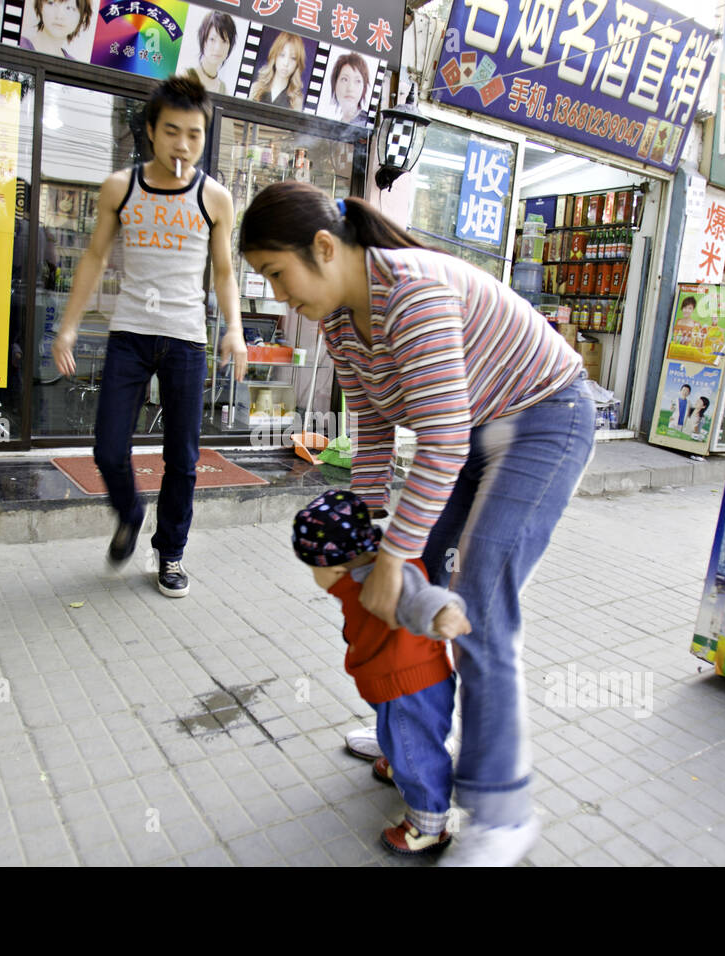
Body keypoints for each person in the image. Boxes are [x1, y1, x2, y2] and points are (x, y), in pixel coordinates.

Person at [240, 181, 595, 866]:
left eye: (277, 275)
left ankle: (501, 810)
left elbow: (440, 442)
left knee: (480, 606)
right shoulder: (339, 319)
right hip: (472, 428)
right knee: (414, 578)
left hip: (543, 419)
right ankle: (414, 729)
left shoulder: (413, 292)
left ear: (322, 248)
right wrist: (377, 542)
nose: (280, 295)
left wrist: (395, 556)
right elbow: (373, 429)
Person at [52, 74, 247, 598]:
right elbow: (94, 257)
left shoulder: (215, 198)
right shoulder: (122, 188)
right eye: (172, 132)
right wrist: (68, 326)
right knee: (108, 447)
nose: (183, 145)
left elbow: (224, 272)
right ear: (150, 132)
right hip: (131, 336)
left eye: (194, 135)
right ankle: (130, 513)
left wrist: (235, 330)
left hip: (186, 340)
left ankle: (171, 553)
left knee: (182, 458)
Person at [293, 489, 470, 856]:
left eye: (314, 569)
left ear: (337, 564)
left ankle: (428, 824)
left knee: (417, 752)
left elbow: (417, 595)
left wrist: (442, 614)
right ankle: (400, 755)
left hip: (412, 688)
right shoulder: (361, 565)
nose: (314, 577)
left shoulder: (386, 576)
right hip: (392, 684)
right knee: (401, 735)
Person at [248, 31, 305, 111]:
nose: (286, 63)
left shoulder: (296, 100)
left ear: (297, 64)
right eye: (282, 55)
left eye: (293, 58)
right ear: (275, 55)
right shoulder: (256, 88)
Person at [19, 0, 93, 59]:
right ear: (40, 5)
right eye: (51, 3)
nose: (59, 16)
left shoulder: (75, 68)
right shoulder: (19, 46)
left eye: (69, 8)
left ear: (83, 17)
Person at [189, 11, 236, 94]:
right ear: (203, 41)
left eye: (224, 41)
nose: (218, 48)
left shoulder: (223, 89)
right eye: (212, 39)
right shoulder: (186, 77)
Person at [325, 52, 369, 125]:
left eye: (357, 81)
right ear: (335, 83)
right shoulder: (337, 124)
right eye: (345, 79)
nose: (350, 88)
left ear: (363, 87)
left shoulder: (366, 123)